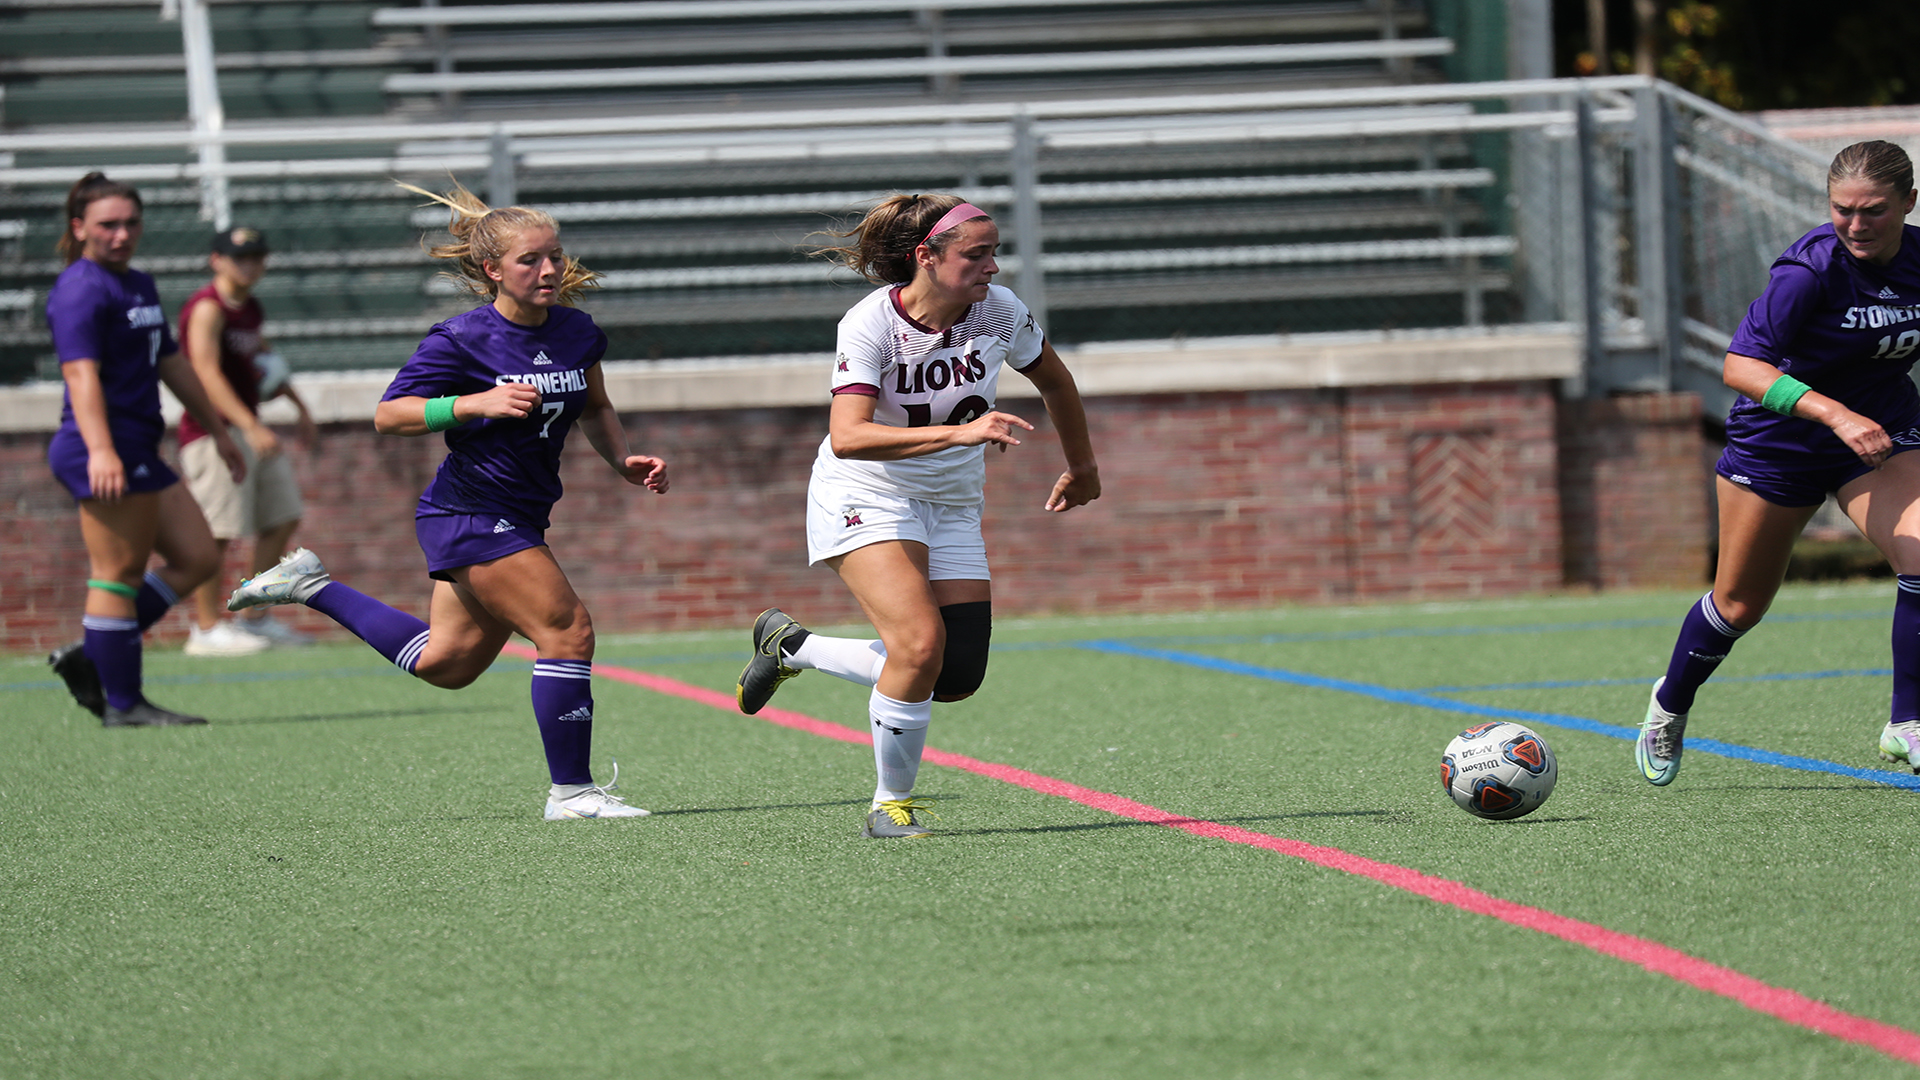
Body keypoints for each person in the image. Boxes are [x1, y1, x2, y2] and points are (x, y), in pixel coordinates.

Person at [227, 181, 669, 820]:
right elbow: (388, 415)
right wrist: (472, 403)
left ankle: (311, 585)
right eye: (530, 260)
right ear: (492, 270)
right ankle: (571, 793)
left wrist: (622, 460)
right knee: (567, 631)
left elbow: (596, 409)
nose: (549, 270)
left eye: (554, 256)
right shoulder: (460, 339)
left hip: (518, 513)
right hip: (468, 513)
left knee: (448, 663)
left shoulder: (577, 331)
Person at [734, 194, 1101, 838]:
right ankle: (889, 807)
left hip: (953, 503)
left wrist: (1083, 466)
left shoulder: (999, 311)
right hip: (865, 493)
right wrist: (959, 436)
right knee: (918, 647)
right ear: (925, 257)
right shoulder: (870, 323)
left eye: (993, 252)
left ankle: (795, 645)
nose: (991, 267)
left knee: (954, 676)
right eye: (975, 254)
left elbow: (1057, 382)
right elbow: (848, 435)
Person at [1639, 140, 1920, 784]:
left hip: (1881, 436)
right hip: (1781, 444)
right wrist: (1834, 413)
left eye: (1872, 210)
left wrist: (1860, 422)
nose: (1855, 224)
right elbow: (1740, 366)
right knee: (1738, 606)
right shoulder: (1809, 271)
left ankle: (1907, 722)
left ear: (1909, 202)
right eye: (1841, 209)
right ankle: (1670, 703)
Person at [43, 172, 247, 727]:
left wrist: (219, 430)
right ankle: (123, 703)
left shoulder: (139, 283)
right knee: (117, 574)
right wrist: (101, 451)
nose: (122, 234)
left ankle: (95, 651)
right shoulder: (80, 288)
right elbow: (81, 376)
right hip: (100, 445)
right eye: (108, 224)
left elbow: (172, 364)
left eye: (131, 223)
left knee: (199, 556)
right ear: (79, 227)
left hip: (138, 446)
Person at [178, 226, 319, 657]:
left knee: (282, 517)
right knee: (216, 532)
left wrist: (299, 405)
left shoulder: (249, 307)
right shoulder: (207, 307)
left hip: (247, 428)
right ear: (216, 260)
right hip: (213, 434)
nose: (249, 264)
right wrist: (249, 426)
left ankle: (255, 618)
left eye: (256, 256)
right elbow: (204, 372)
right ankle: (204, 629)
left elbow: (263, 356)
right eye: (239, 256)